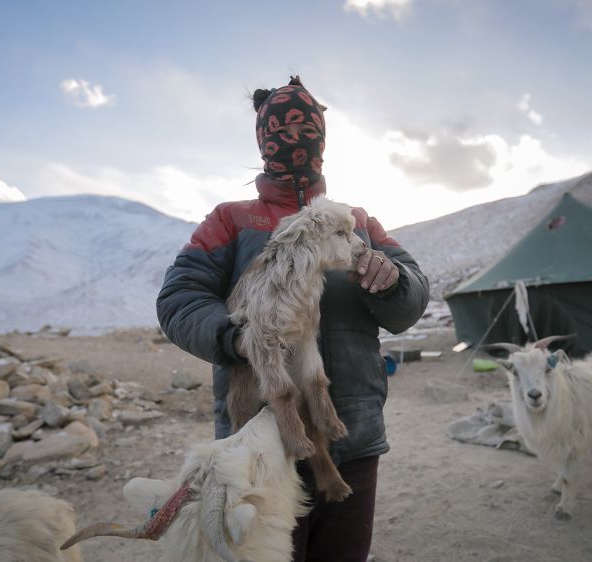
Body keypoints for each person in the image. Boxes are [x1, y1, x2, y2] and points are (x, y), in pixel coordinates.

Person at [156, 76, 429, 562]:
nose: (294, 143)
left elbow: (412, 297)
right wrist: (235, 338)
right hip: (260, 442)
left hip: (352, 434)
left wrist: (394, 281)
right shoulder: (231, 220)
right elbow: (179, 298)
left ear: (322, 141)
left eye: (305, 132)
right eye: (280, 133)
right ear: (263, 142)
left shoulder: (356, 222)